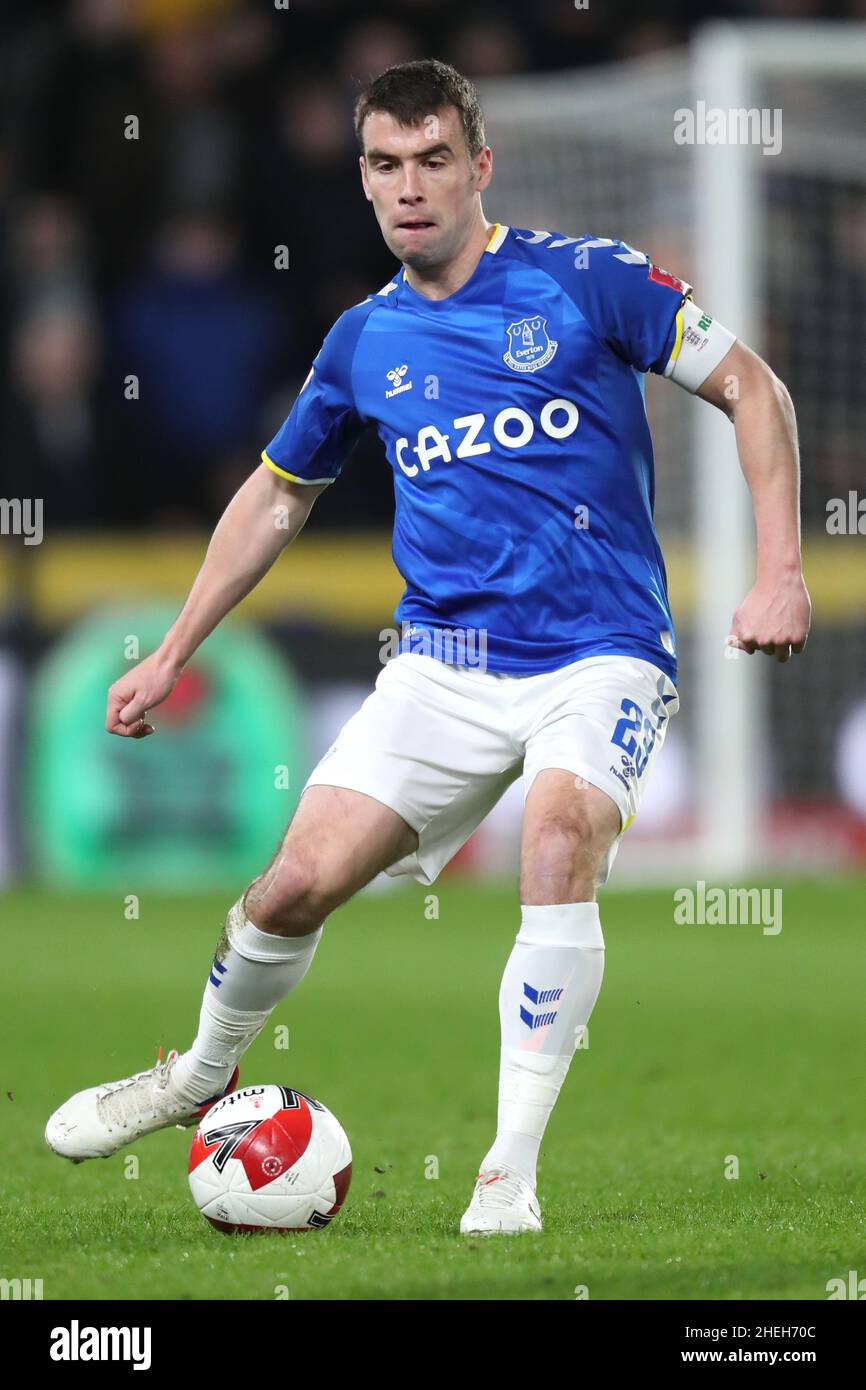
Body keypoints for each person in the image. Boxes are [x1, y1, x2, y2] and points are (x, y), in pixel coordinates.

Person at [45, 59, 811, 1236]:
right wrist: (171, 650)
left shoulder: (585, 280)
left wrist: (776, 567)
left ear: (478, 165)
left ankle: (506, 1172)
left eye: (433, 161)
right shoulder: (362, 340)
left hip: (598, 652)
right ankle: (197, 1074)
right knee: (290, 886)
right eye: (387, 165)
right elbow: (274, 496)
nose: (411, 187)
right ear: (362, 179)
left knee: (556, 839)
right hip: (440, 665)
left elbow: (753, 390)